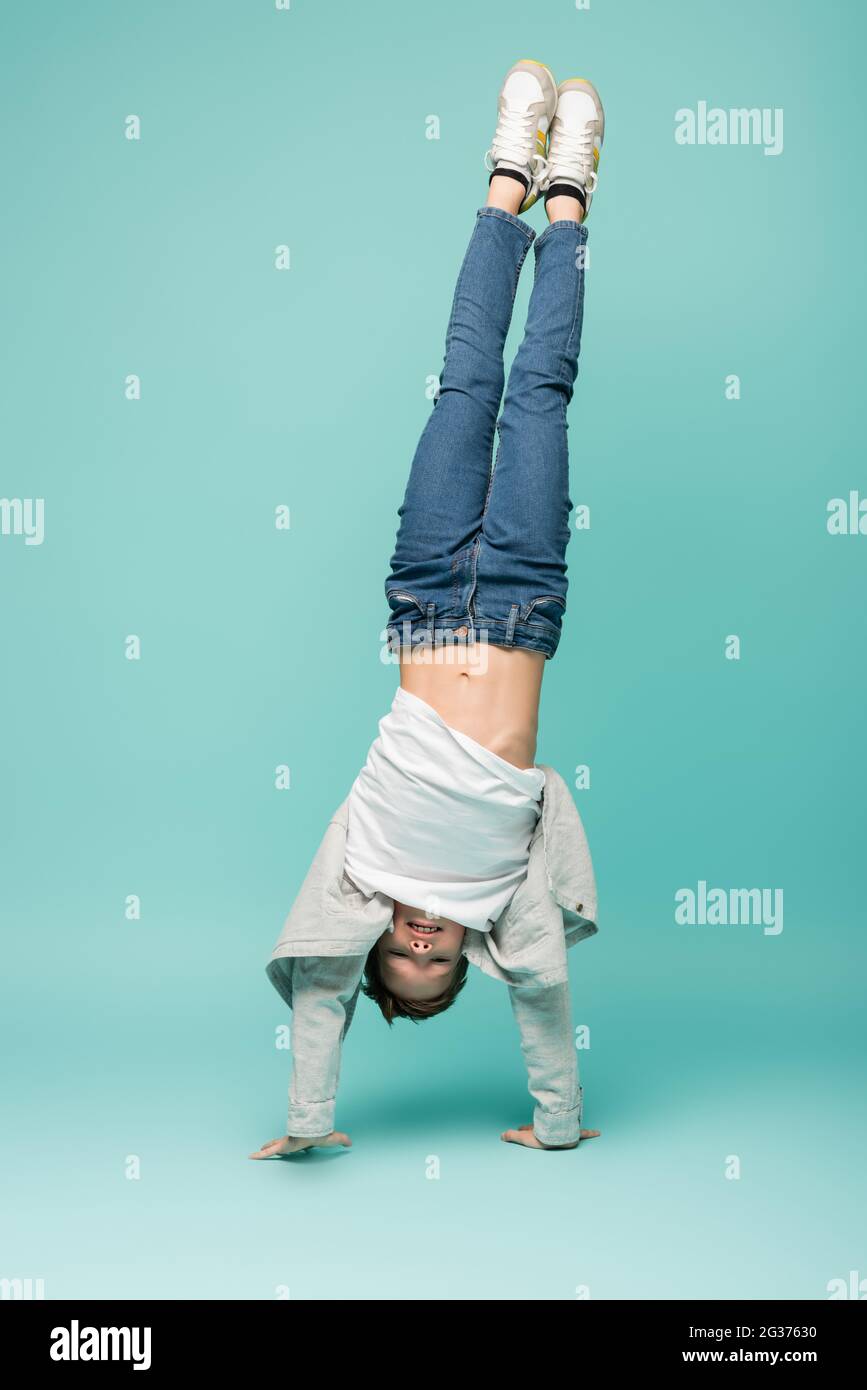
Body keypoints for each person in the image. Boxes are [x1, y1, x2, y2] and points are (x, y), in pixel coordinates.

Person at [251, 60, 604, 1160]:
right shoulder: (509, 907)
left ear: (372, 939)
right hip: (521, 600)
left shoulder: (359, 868)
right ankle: (569, 200)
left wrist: (308, 1120)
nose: (416, 940)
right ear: (469, 952)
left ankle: (506, 173)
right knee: (538, 390)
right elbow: (544, 1011)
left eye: (396, 955)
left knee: (464, 383)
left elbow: (320, 990)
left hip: (423, 595)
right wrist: (556, 1124)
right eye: (433, 959)